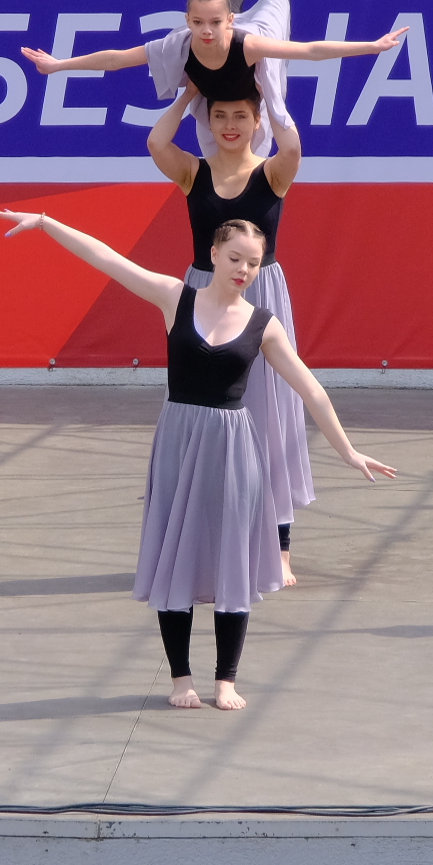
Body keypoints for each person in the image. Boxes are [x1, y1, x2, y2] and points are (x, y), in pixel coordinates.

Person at [0, 205, 398, 709]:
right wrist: (48, 224)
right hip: (178, 441)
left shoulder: (264, 325)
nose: (243, 269)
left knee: (232, 561)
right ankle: (181, 680)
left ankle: (226, 680)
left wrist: (348, 451)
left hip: (233, 449)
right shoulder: (174, 297)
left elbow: (311, 390)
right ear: (214, 254)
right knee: (174, 555)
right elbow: (109, 260)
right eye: (235, 258)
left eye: (253, 263)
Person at [17, 0, 405, 158]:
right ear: (187, 20)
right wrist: (59, 65)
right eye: (198, 22)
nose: (206, 31)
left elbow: (310, 50)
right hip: (216, 107)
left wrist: (371, 46)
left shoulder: (248, 44)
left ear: (228, 23)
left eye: (215, 23)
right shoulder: (180, 44)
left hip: (258, 42)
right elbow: (116, 59)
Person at [147, 86, 315, 583]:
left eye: (240, 116)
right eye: (219, 116)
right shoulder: (192, 172)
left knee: (269, 416)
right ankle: (198, 539)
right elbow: (156, 143)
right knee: (201, 413)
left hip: (260, 298)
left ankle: (279, 544)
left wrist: (272, 92)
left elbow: (292, 147)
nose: (229, 126)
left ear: (256, 121)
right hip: (201, 298)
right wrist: (187, 95)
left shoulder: (273, 173)